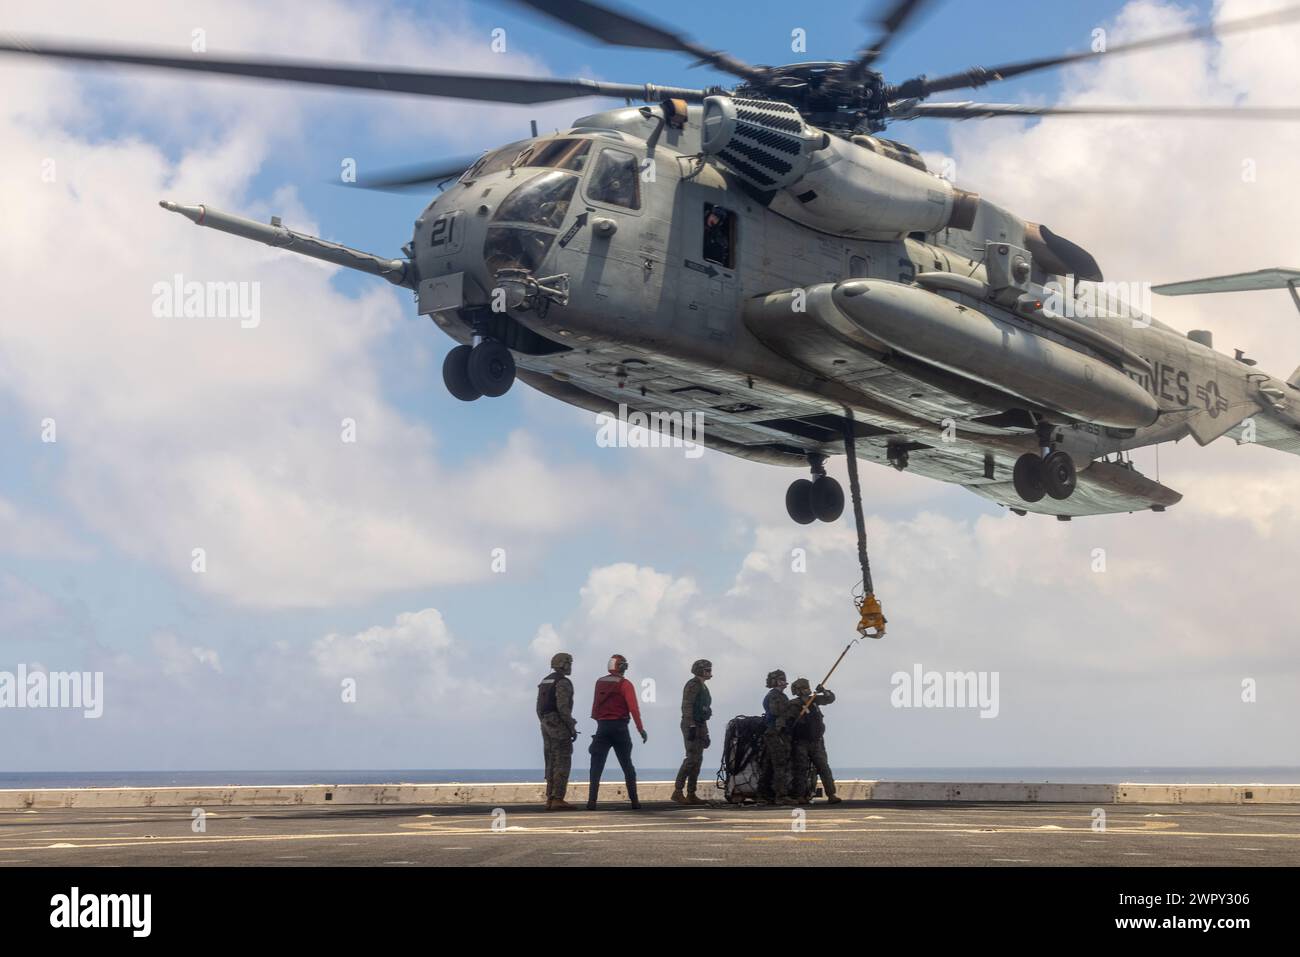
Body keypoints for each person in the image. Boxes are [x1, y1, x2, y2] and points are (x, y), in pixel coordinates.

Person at [587, 654, 647, 810]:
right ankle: (635, 802)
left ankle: (591, 802)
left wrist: (600, 722)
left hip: (602, 728)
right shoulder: (625, 684)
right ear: (622, 667)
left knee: (596, 767)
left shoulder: (599, 682)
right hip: (620, 728)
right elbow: (634, 709)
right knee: (627, 765)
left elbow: (595, 707)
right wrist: (640, 729)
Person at [789, 677, 841, 805]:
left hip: (816, 741)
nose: (808, 690)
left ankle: (831, 794)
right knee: (801, 769)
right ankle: (800, 795)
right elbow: (790, 722)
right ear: (799, 691)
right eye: (805, 688)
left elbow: (830, 699)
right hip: (801, 742)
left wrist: (824, 691)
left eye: (808, 687)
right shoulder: (793, 704)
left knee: (823, 767)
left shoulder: (815, 700)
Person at [536, 652, 578, 811]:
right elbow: (563, 708)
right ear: (564, 664)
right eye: (570, 663)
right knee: (562, 760)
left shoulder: (545, 681)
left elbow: (538, 708)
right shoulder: (563, 682)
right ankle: (558, 798)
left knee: (550, 759)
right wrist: (571, 727)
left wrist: (544, 722)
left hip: (545, 723)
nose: (571, 667)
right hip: (558, 724)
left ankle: (550, 797)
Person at [672, 659, 713, 805]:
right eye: (706, 670)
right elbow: (687, 706)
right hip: (692, 724)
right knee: (691, 759)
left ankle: (691, 793)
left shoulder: (703, 687)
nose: (709, 672)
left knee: (697, 760)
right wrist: (691, 726)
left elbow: (704, 711)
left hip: (700, 724)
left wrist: (706, 733)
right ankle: (678, 791)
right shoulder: (693, 685)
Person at [761, 669, 796, 805]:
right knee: (780, 764)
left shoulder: (780, 696)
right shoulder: (775, 696)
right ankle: (781, 795)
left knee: (770, 764)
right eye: (780, 680)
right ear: (774, 681)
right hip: (776, 733)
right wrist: (790, 708)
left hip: (777, 733)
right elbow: (776, 711)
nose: (784, 682)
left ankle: (763, 793)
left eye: (784, 679)